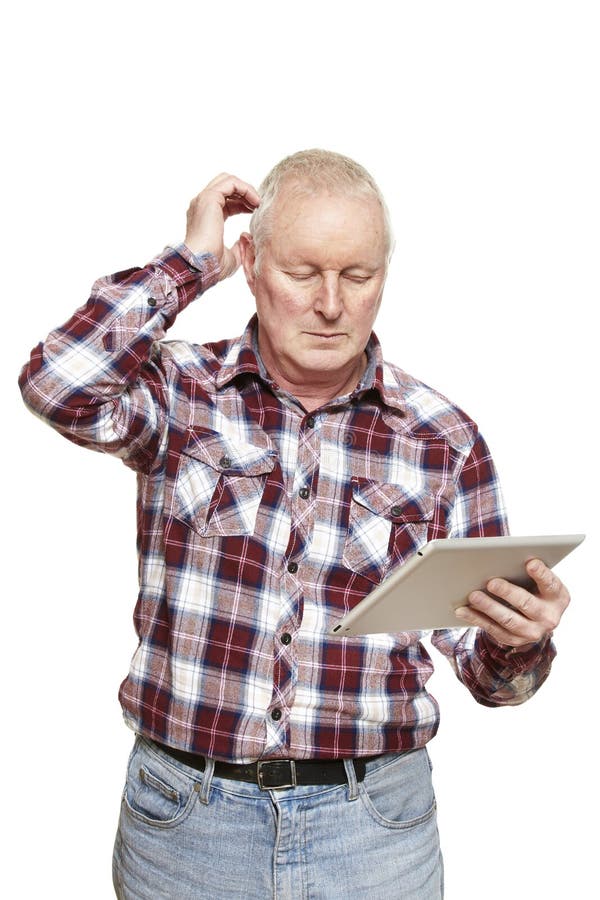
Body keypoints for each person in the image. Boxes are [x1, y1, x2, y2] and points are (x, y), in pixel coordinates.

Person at [19, 150, 570, 899]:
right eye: (303, 272)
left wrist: (519, 641)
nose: (331, 304)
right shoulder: (182, 394)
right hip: (187, 826)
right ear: (250, 261)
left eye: (358, 275)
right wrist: (188, 262)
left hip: (373, 831)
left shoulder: (444, 440)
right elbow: (57, 385)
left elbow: (490, 677)